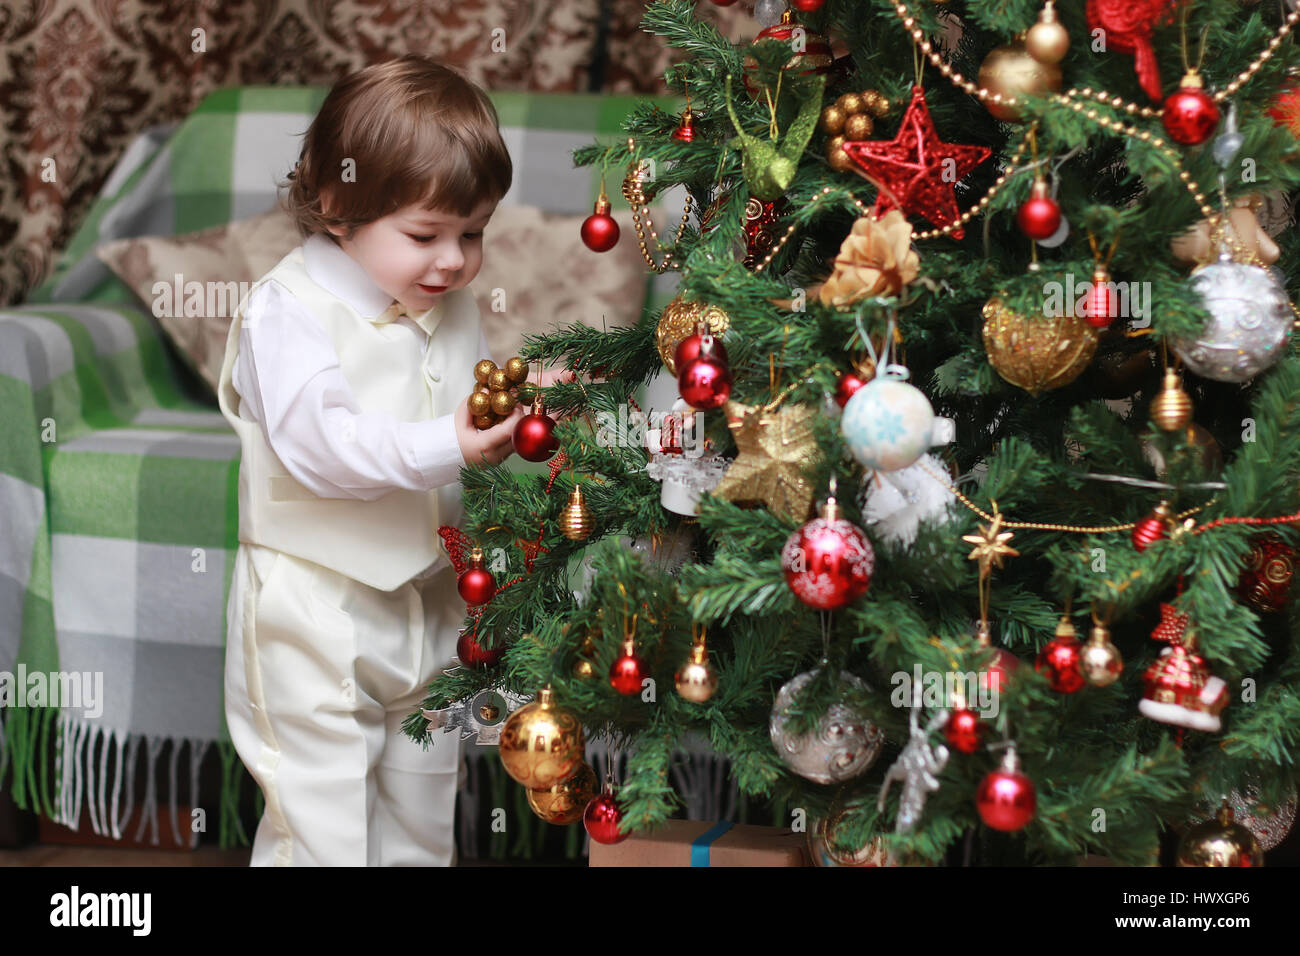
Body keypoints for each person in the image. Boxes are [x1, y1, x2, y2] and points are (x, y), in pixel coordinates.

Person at [215, 55, 570, 866]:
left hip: (426, 600)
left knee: (420, 810)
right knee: (322, 829)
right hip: (313, 608)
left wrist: (521, 399)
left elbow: (460, 404)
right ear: (339, 206)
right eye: (425, 235)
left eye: (472, 233)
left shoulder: (447, 305)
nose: (453, 260)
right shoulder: (288, 312)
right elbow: (327, 448)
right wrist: (451, 438)